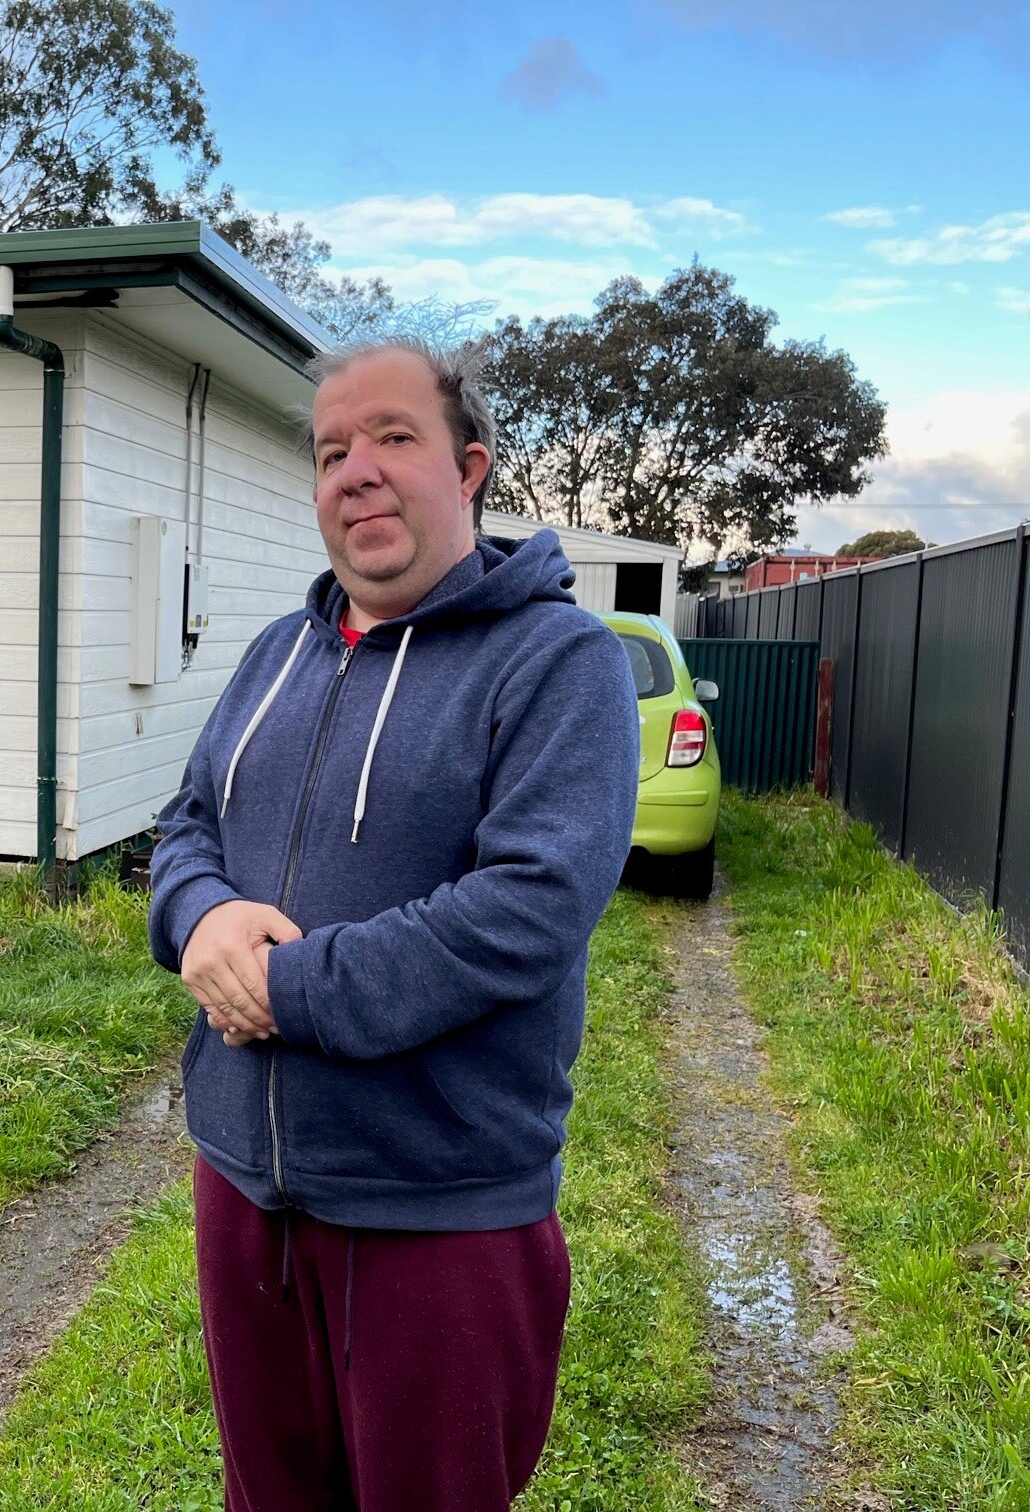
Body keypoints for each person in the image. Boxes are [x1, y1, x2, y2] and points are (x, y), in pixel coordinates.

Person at [147, 337, 640, 1510]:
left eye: (391, 439)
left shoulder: (558, 661)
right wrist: (198, 916)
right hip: (245, 1192)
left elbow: (526, 911)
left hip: (441, 1212)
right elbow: (186, 823)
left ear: (467, 469)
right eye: (330, 451)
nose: (355, 471)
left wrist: (288, 989)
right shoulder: (278, 653)